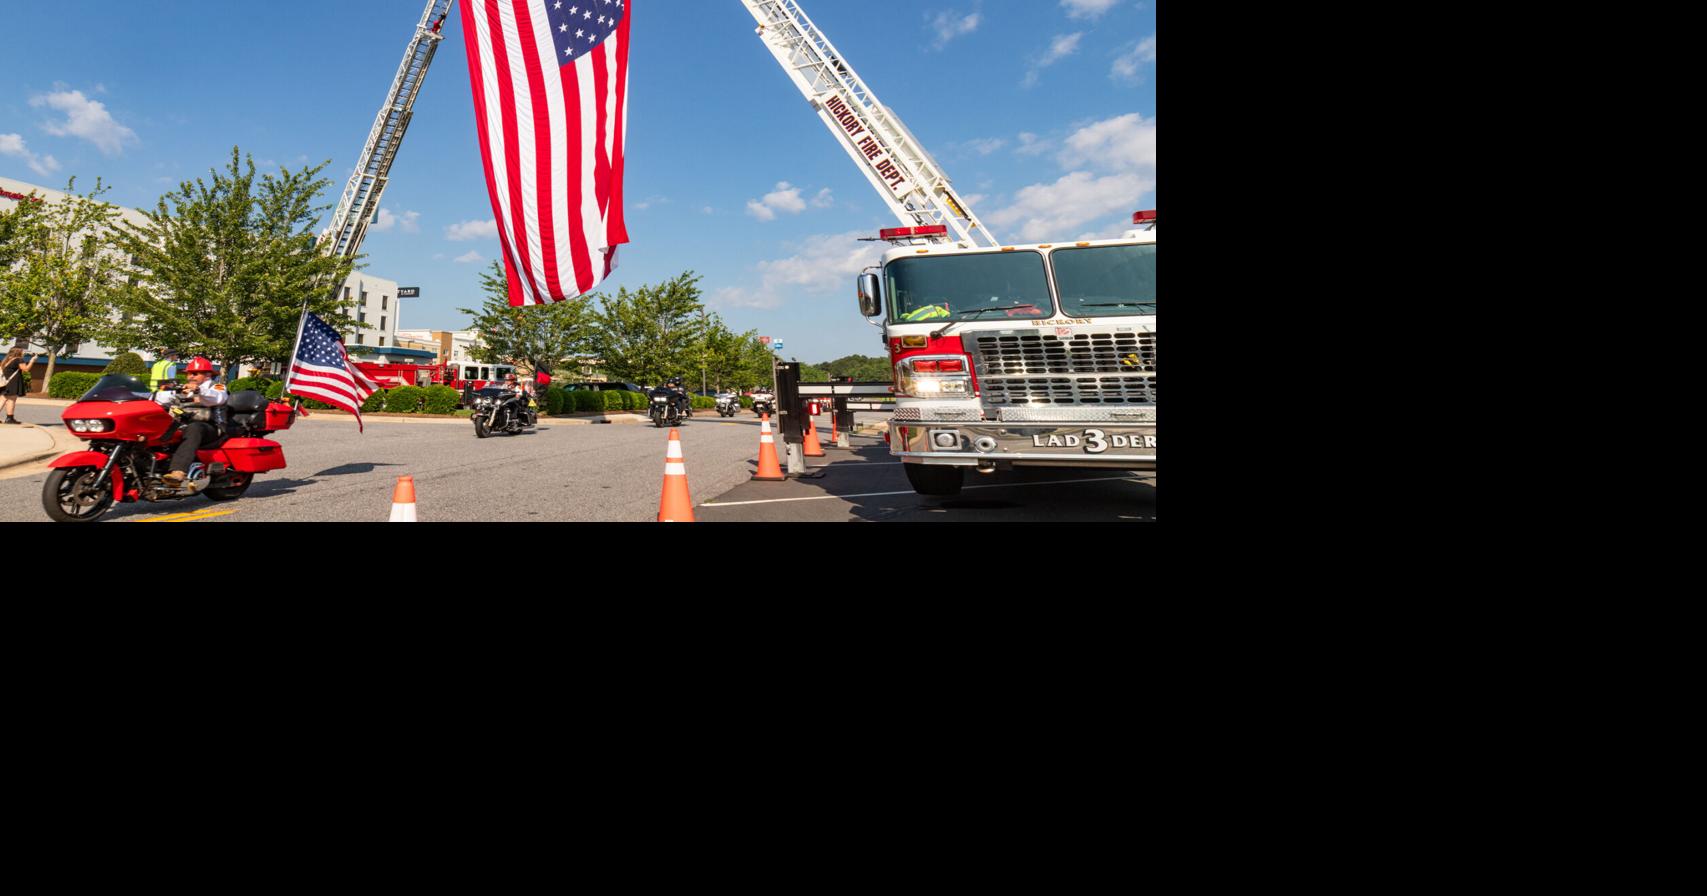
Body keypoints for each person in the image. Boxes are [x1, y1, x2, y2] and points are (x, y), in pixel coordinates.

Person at [161, 357, 228, 489]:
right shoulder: (183, 388)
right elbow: (160, 398)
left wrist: (198, 390)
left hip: (213, 427)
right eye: (188, 373)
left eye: (195, 373)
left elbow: (218, 398)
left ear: (208, 374)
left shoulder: (217, 386)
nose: (190, 376)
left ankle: (178, 471)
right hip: (183, 425)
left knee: (194, 428)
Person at [2, 347, 41, 424]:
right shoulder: (18, 359)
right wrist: (32, 360)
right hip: (12, 383)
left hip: (5, 382)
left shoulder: (7, 360)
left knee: (3, 399)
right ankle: (9, 419)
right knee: (11, 400)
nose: (24, 353)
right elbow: (26, 369)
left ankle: (10, 418)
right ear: (18, 352)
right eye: (23, 351)